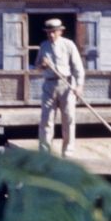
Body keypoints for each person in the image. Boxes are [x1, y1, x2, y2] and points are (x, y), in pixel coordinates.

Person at [35, 18, 84, 157]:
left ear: (60, 31)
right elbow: (37, 66)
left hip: (66, 85)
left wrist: (79, 86)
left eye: (54, 32)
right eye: (49, 32)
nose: (51, 35)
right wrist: (42, 65)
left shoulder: (69, 45)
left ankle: (67, 152)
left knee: (68, 119)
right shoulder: (43, 46)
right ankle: (44, 153)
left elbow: (77, 67)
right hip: (49, 85)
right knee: (46, 120)